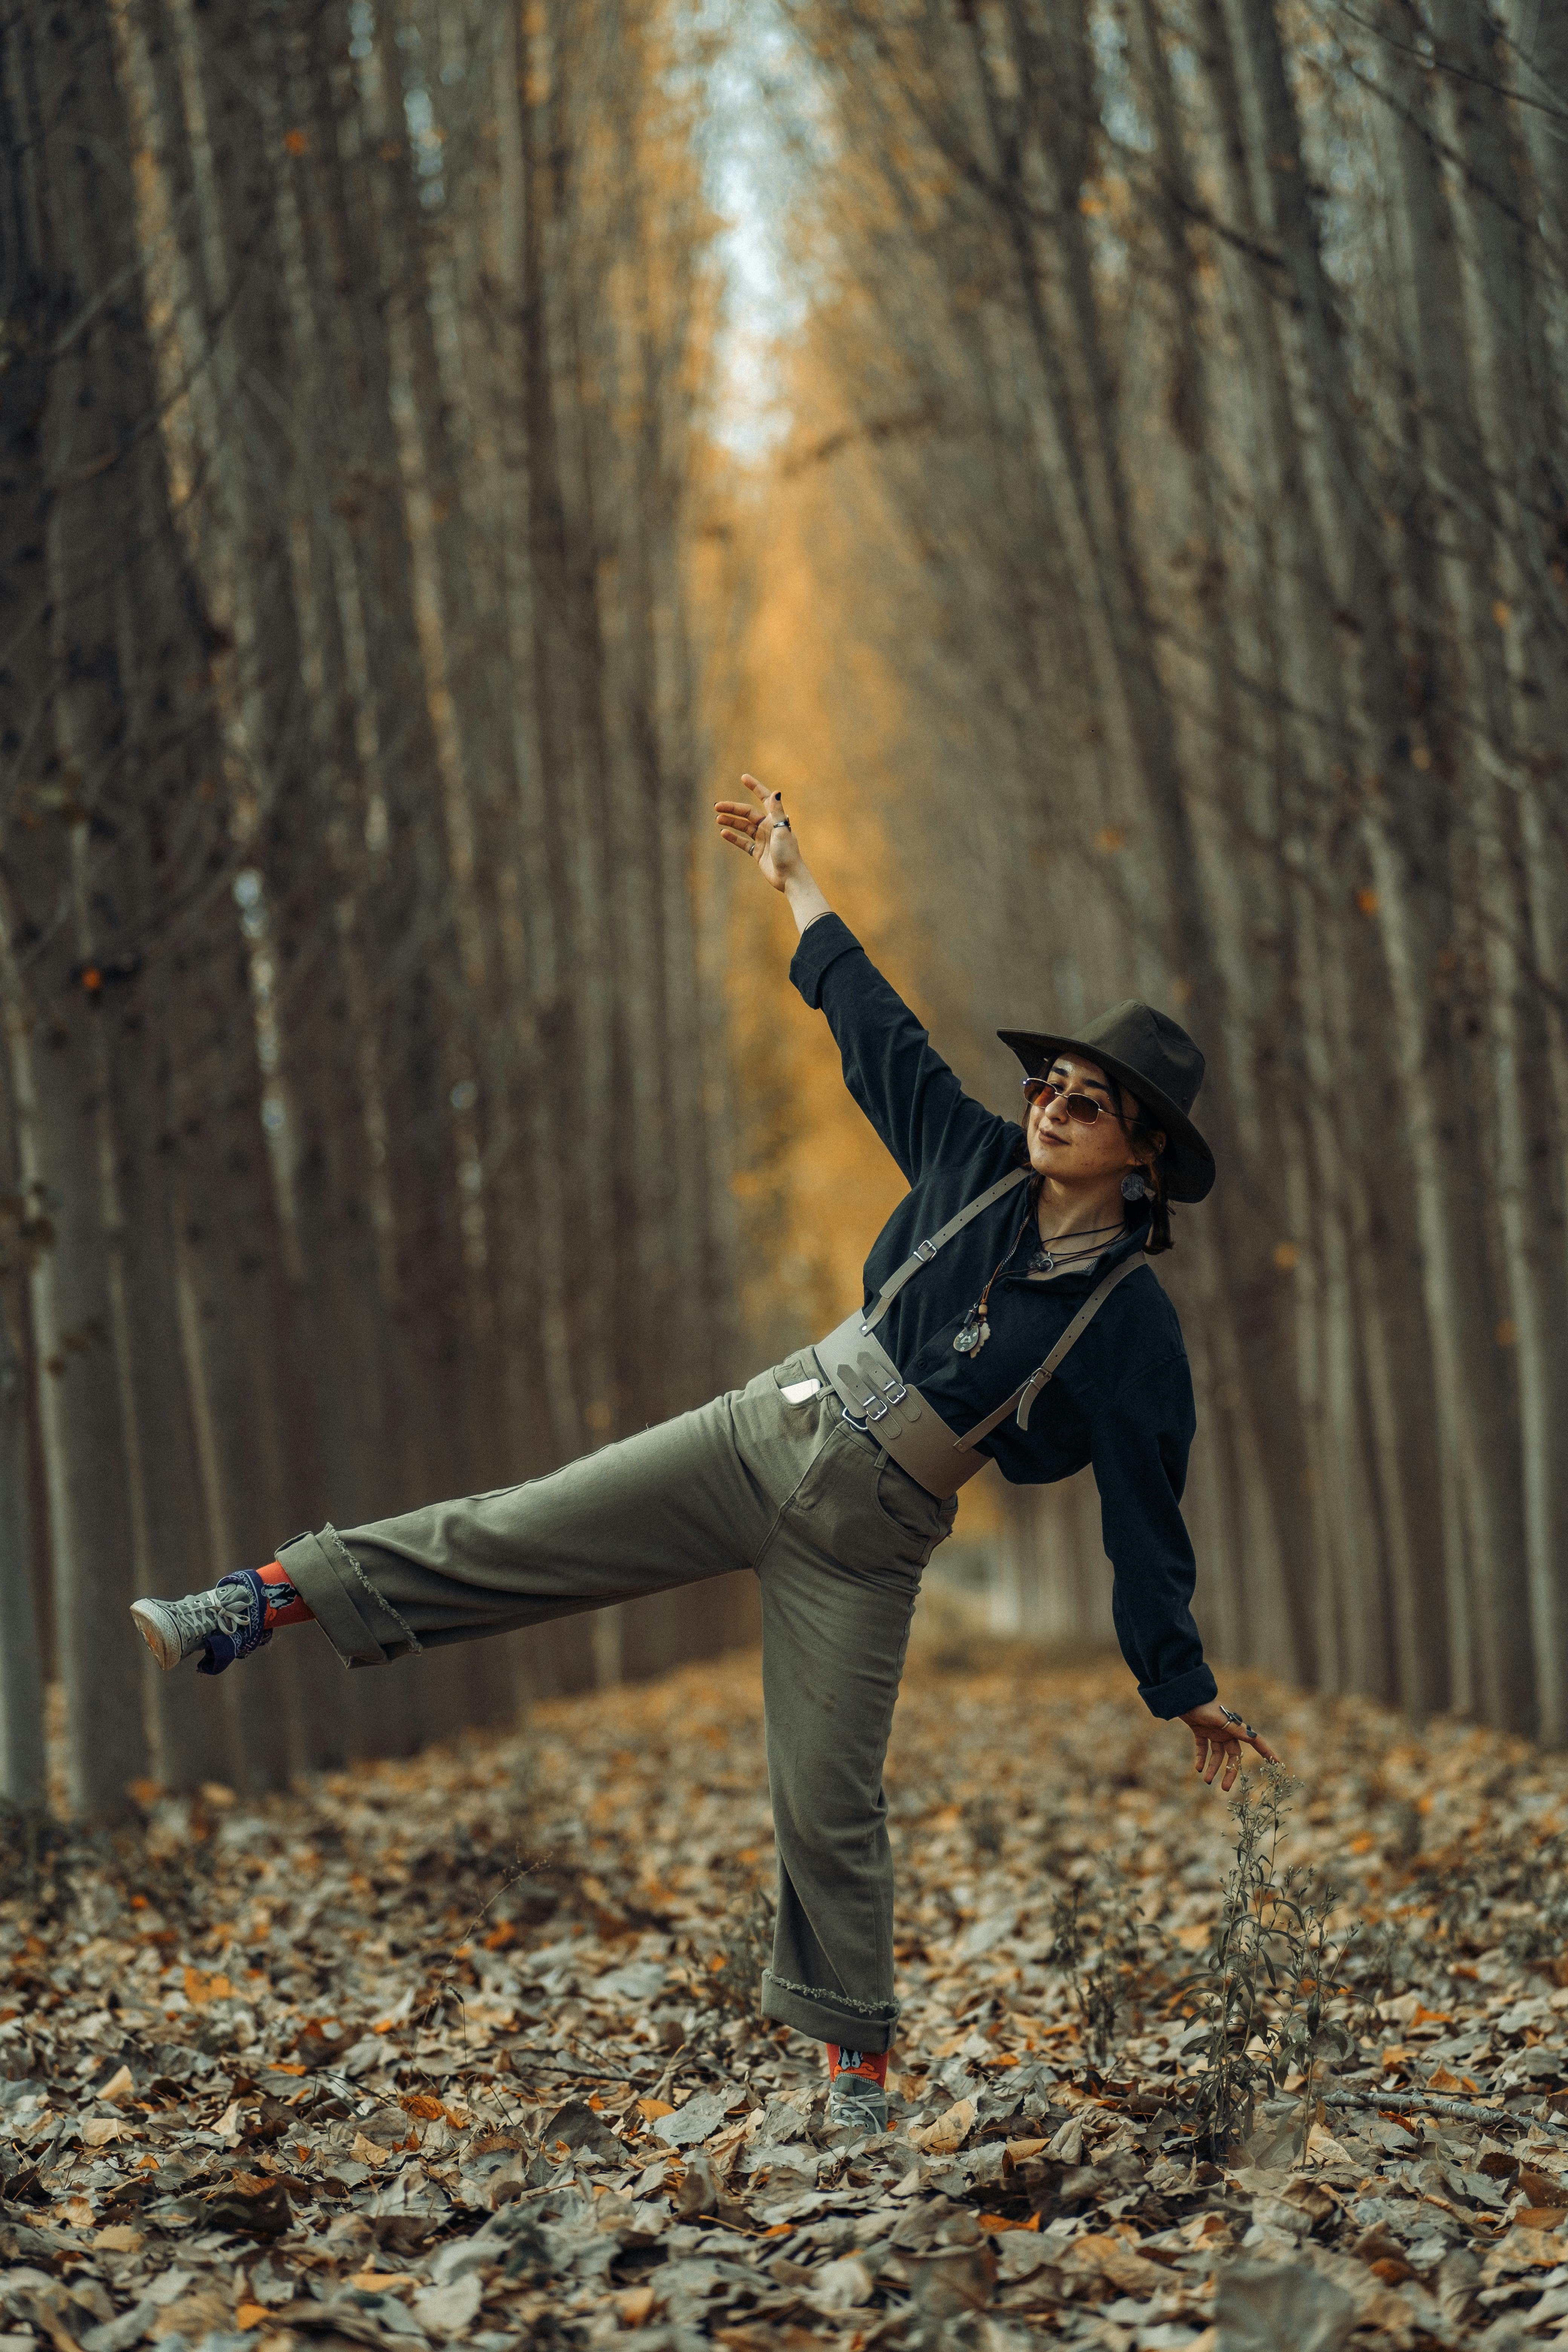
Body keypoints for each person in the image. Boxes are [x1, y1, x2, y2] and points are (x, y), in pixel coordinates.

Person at [130, 775, 1277, 2134]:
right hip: (765, 1428)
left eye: (1089, 1103)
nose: (1053, 1106)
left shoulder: (1132, 1326)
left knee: (830, 1794)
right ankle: (261, 1600)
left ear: (1142, 1153)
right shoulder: (969, 1159)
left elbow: (1144, 1510)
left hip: (870, 1538)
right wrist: (796, 879)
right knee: (523, 1526)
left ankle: (855, 2068)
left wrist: (1181, 1683)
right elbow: (878, 1035)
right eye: (1051, 1082)